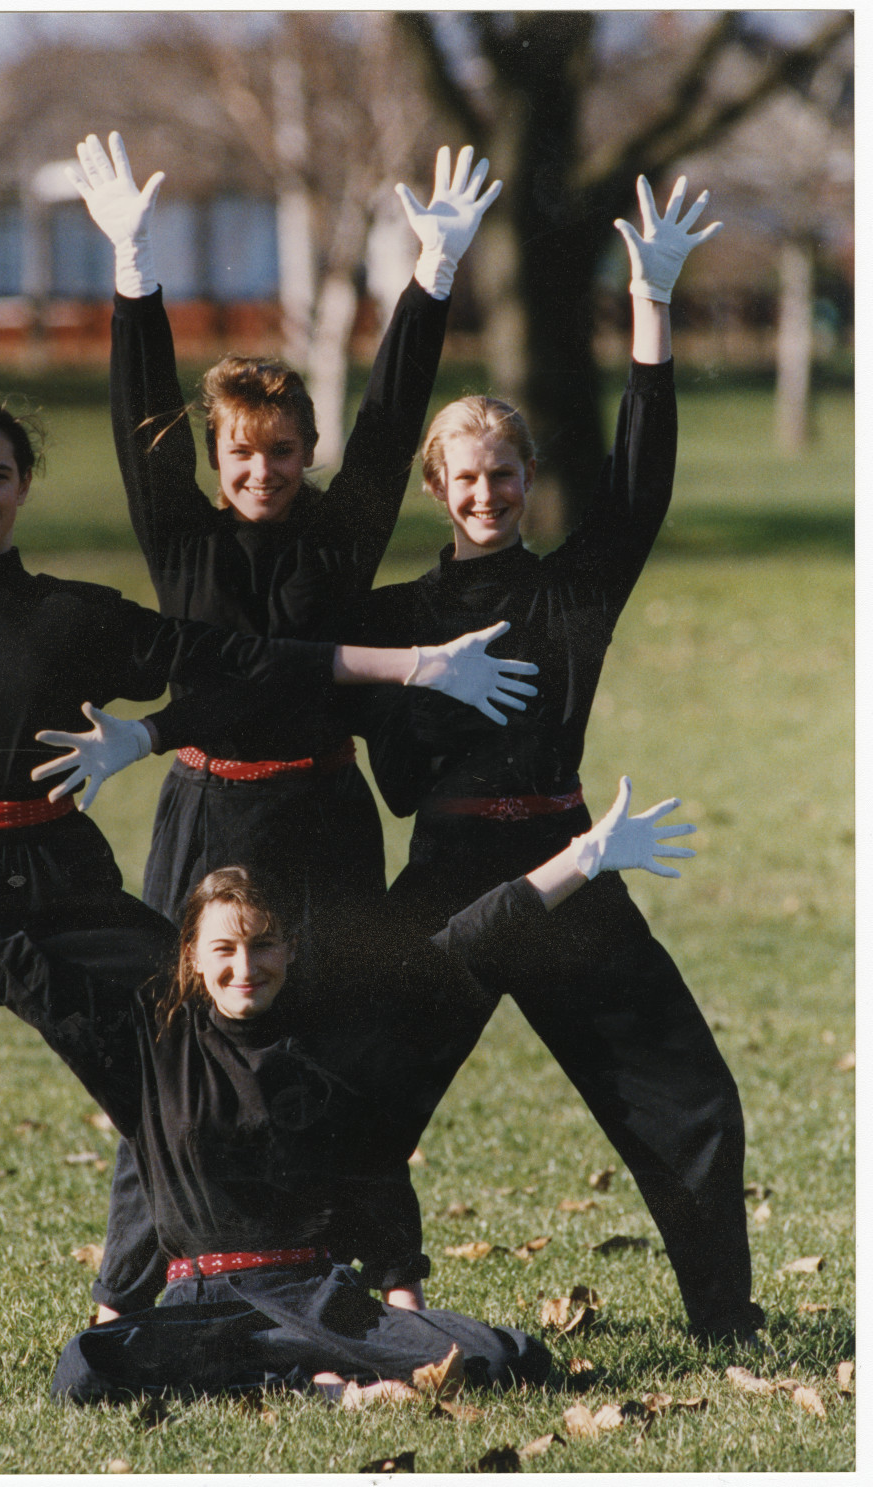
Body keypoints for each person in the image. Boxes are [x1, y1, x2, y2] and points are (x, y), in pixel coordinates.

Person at [0, 158, 536, 1383]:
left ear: (26, 487)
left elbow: (266, 624)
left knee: (221, 1051)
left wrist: (431, 278)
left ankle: (336, 1289)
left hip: (82, 870)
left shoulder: (107, 601)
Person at [0, 774, 695, 1403]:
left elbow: (467, 943)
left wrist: (586, 856)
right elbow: (17, 969)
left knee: (510, 1355)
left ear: (286, 950)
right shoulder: (145, 1047)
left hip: (319, 1295)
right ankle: (327, 1383)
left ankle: (326, 1373)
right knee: (86, 1372)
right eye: (223, 948)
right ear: (193, 959)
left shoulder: (333, 1041)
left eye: (261, 946)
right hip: (201, 1304)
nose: (244, 966)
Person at [68, 129, 511, 1319]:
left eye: (280, 450)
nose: (259, 468)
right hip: (205, 804)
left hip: (320, 808)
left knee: (340, 1033)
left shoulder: (337, 532)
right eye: (240, 453)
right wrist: (132, 269)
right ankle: (131, 1286)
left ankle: (389, 1277)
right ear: (216, 461)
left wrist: (431, 274)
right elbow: (137, 420)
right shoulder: (187, 537)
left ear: (305, 455)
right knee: (172, 1042)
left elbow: (390, 417)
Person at [346, 176, 765, 1345]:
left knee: (693, 1098)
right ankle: (368, 1301)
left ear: (528, 483)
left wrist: (652, 303)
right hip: (451, 876)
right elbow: (311, 695)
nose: (487, 491)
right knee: (371, 1091)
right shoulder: (390, 616)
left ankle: (726, 1316)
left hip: (571, 859)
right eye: (465, 476)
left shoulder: (570, 592)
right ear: (439, 487)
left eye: (506, 473)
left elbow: (638, 487)